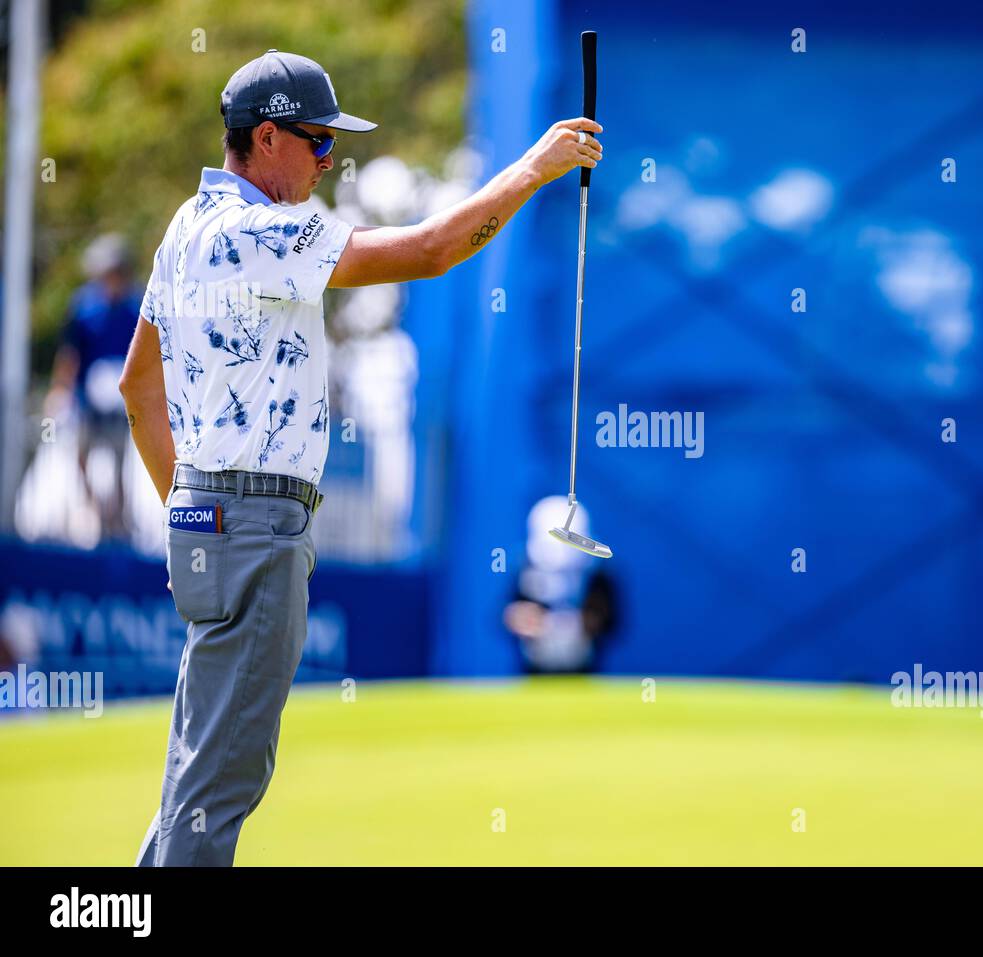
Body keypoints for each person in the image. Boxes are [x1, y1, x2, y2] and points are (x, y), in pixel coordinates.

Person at [119, 50, 603, 866]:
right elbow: (430, 251)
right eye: (316, 141)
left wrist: (188, 512)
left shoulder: (185, 227)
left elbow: (139, 389)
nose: (327, 160)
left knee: (195, 776)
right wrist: (533, 167)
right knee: (220, 782)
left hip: (202, 518)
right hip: (255, 524)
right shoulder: (264, 228)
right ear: (265, 137)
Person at [46, 234, 142, 539]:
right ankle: (92, 503)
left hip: (122, 404)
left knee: (119, 460)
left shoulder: (137, 306)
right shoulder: (83, 306)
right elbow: (70, 353)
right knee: (81, 453)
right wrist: (60, 390)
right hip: (87, 402)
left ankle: (118, 518)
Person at [503, 496, 618, 674]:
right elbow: (505, 614)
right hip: (534, 670)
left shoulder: (598, 577)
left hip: (586, 670)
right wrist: (517, 617)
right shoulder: (524, 571)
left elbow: (612, 622)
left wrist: (590, 621)